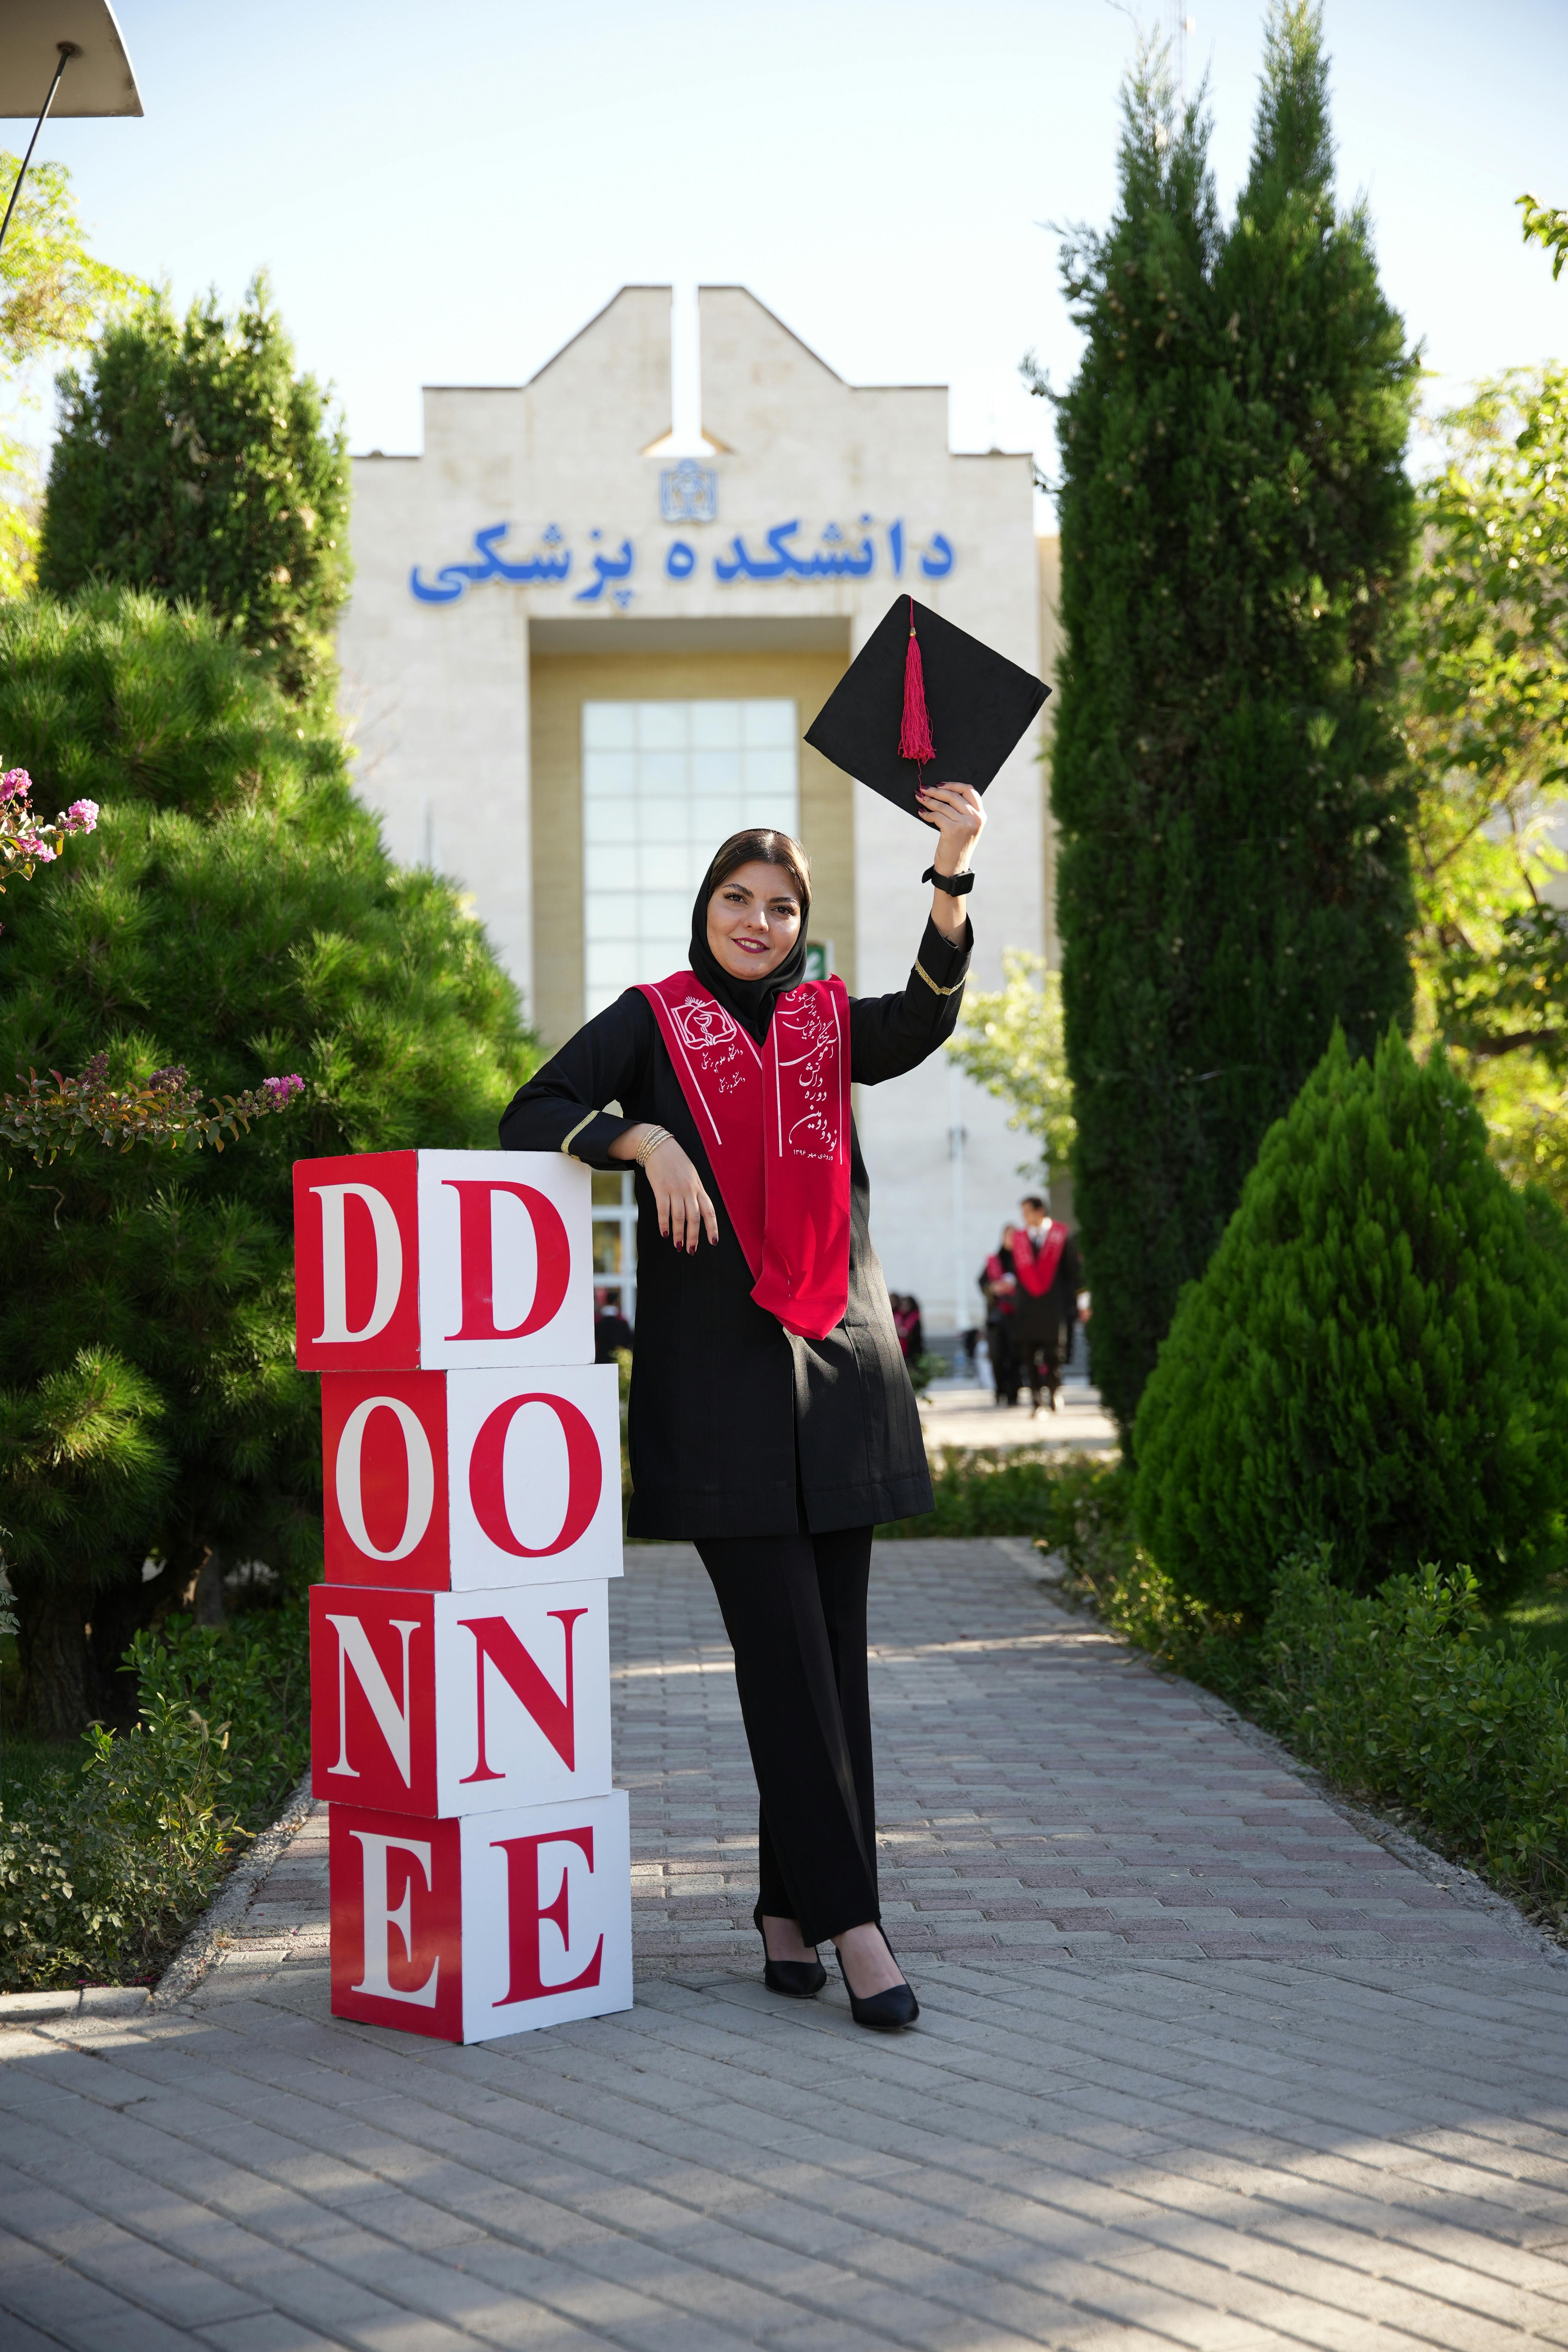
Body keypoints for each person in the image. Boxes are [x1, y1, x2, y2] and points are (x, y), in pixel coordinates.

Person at [498, 785, 984, 2030]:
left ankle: (784, 1908)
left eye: (780, 908)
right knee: (780, 1663)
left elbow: (925, 1018)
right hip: (714, 1391)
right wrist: (640, 1143)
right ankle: (856, 1922)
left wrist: (952, 866)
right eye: (737, 900)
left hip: (839, 1373)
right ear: (704, 909)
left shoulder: (828, 1026)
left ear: (801, 927)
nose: (757, 922)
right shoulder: (649, 1023)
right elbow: (532, 1112)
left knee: (830, 1662)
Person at [1009, 1195, 1081, 1415]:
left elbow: (1074, 1272)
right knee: (1028, 1354)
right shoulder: (1020, 1239)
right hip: (1027, 1306)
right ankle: (1035, 1398)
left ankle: (1054, 1391)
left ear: (1040, 1212)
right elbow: (1016, 1272)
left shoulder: (1061, 1236)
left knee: (1054, 1354)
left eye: (1028, 1212)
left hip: (1054, 1306)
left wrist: (1082, 1301)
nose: (1024, 1217)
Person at [979, 1231, 1020, 1405]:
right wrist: (993, 1288)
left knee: (1015, 1356)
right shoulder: (995, 1261)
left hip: (1016, 1317)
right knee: (997, 1356)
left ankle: (1014, 1393)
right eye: (1008, 1237)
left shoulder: (1022, 1261)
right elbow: (983, 1283)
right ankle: (999, 1390)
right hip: (996, 1318)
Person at [591, 1285, 635, 1363]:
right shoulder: (623, 1323)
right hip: (619, 1360)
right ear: (616, 1303)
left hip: (600, 1360)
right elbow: (629, 1342)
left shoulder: (597, 1322)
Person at [891, 1293, 923, 1364]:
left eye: (905, 1305)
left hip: (913, 1352)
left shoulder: (914, 1319)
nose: (903, 1308)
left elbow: (906, 1333)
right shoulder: (902, 1317)